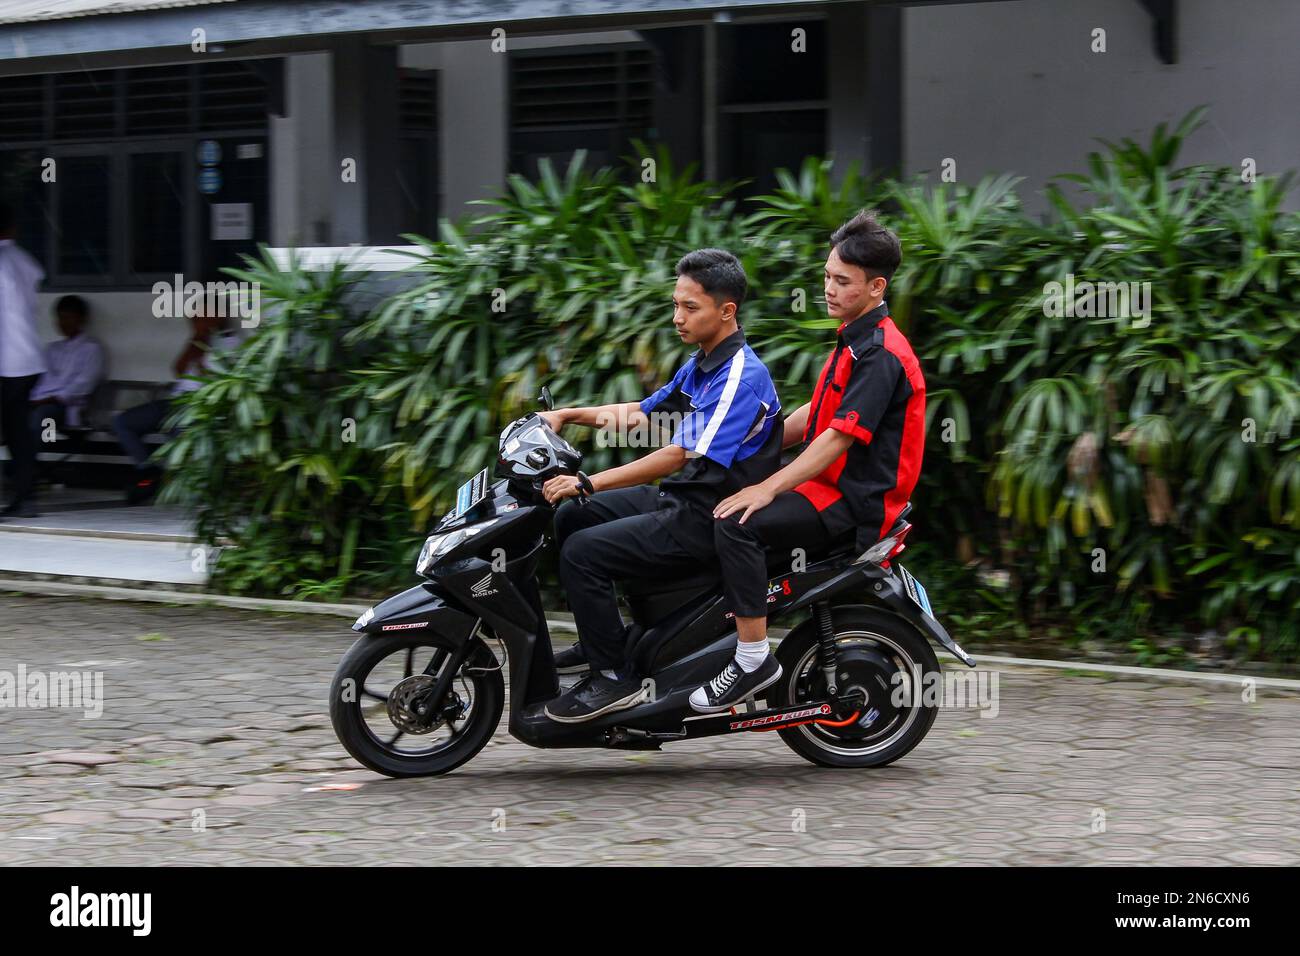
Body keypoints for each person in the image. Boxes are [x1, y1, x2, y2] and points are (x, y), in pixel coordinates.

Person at [689, 210, 926, 713]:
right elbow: (814, 416)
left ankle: (752, 659)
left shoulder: (882, 354)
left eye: (843, 281)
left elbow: (837, 439)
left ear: (876, 286)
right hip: (826, 488)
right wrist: (745, 436)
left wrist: (767, 486)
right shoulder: (856, 338)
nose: (830, 289)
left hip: (854, 501)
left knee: (736, 522)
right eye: (826, 276)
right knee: (717, 499)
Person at [538, 248, 783, 723]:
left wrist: (586, 481)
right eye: (676, 305)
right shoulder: (703, 363)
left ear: (726, 311)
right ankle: (604, 643)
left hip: (708, 517)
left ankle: (613, 680)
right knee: (572, 517)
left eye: (690, 308)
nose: (677, 318)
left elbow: (675, 456)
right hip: (684, 497)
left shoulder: (740, 376)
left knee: (582, 552)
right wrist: (566, 415)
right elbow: (641, 414)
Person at [112, 301, 233, 504]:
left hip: (200, 407)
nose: (195, 323)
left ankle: (190, 486)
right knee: (122, 423)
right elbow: (178, 370)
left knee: (179, 431)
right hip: (175, 402)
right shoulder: (196, 340)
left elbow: (214, 380)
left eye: (201, 318)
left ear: (218, 317)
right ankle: (149, 472)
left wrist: (204, 345)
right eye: (193, 319)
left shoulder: (230, 343)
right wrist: (196, 340)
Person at [7, 295, 106, 514]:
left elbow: (84, 384)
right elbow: (42, 378)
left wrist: (51, 397)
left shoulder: (91, 349)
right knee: (17, 414)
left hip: (68, 408)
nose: (63, 323)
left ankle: (27, 471)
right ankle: (23, 468)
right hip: (42, 401)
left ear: (81, 319)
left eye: (68, 318)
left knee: (41, 419)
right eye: (60, 318)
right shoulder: (52, 349)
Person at [0, 197, 47, 520]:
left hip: (6, 360)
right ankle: (25, 497)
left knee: (14, 429)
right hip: (29, 359)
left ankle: (24, 496)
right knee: (17, 430)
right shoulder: (23, 259)